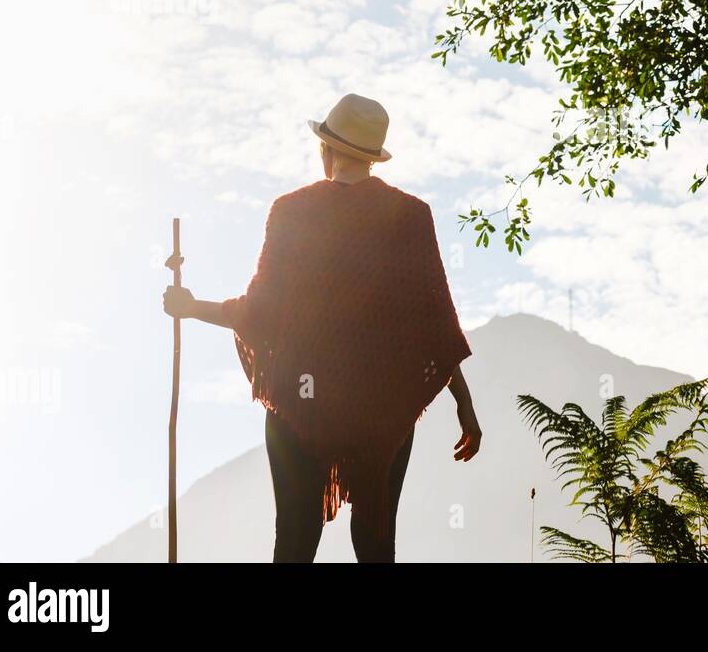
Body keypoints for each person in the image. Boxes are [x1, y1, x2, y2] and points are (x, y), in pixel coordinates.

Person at [163, 93, 482, 562]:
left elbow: (259, 312)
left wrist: (192, 308)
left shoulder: (292, 211)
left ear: (325, 149)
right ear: (373, 158)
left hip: (300, 404)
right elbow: (432, 327)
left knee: (294, 538)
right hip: (381, 411)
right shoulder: (411, 217)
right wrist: (465, 407)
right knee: (376, 544)